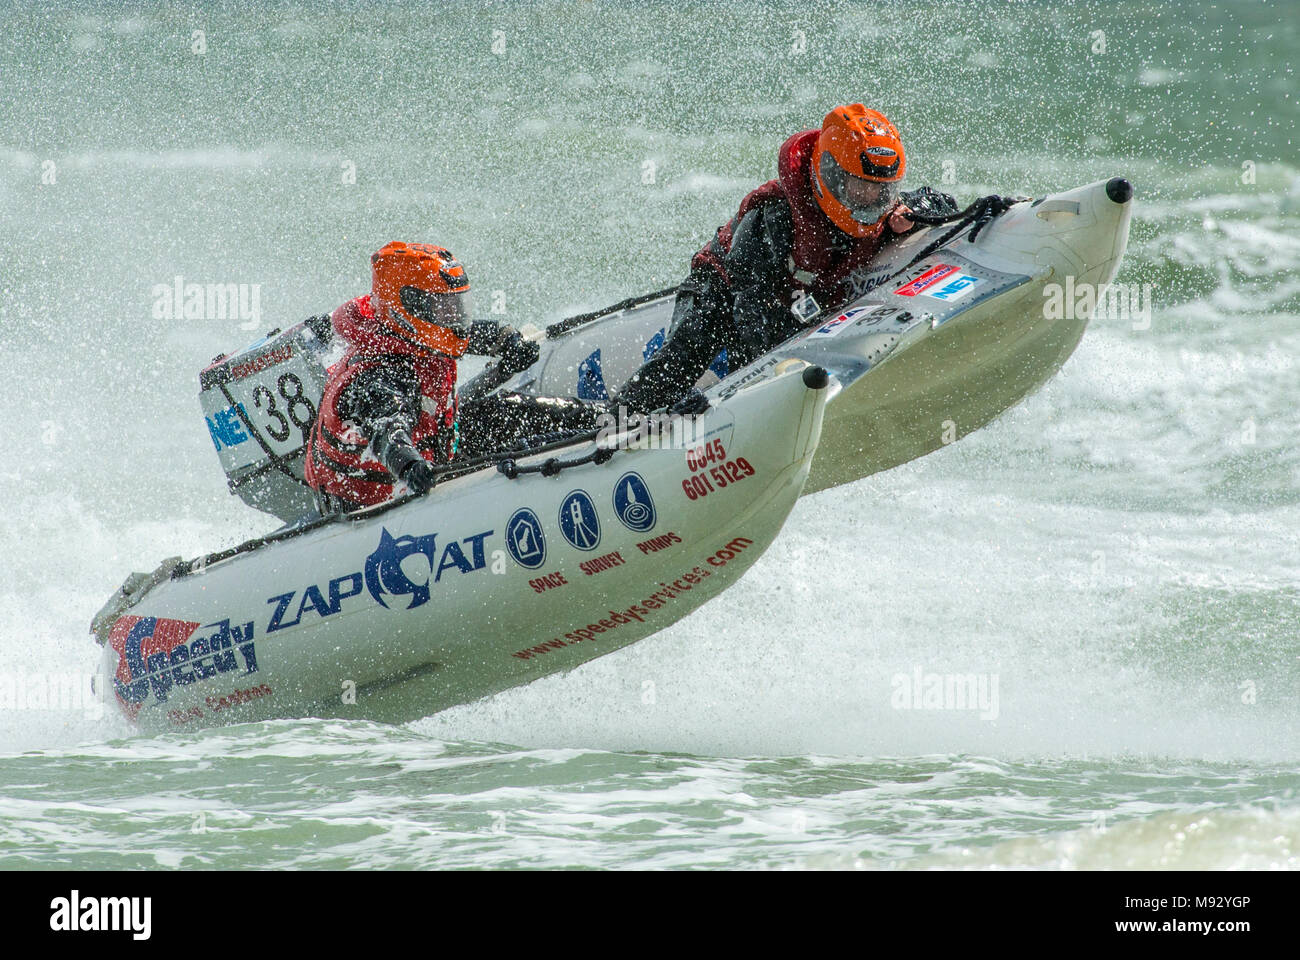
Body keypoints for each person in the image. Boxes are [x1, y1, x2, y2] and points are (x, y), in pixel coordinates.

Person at [614, 104, 960, 413]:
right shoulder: (776, 216)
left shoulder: (884, 211)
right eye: (860, 187)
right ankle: (614, 419)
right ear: (832, 178)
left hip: (799, 305)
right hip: (724, 294)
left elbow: (940, 201)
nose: (871, 200)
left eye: (880, 190)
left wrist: (918, 209)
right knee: (684, 359)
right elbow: (748, 314)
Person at [304, 241, 602, 511]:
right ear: (409, 308)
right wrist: (411, 468)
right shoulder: (377, 377)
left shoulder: (409, 332)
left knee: (507, 409)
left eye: (457, 306)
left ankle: (611, 419)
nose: (456, 318)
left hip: (438, 451)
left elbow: (469, 333)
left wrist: (507, 340)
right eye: (446, 308)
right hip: (379, 504)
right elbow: (387, 433)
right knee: (510, 438)